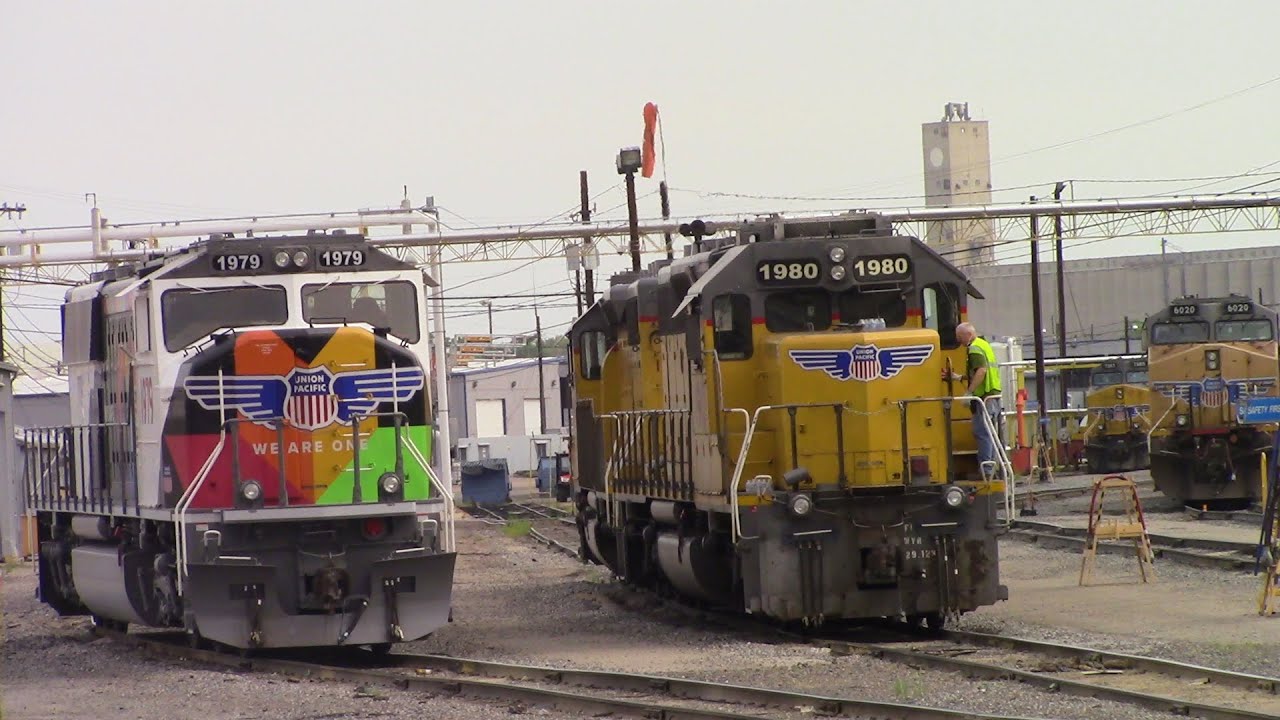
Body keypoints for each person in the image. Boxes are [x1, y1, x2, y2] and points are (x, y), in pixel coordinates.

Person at [943, 322, 1004, 477]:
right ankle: (991, 468)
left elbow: (981, 371)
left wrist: (969, 393)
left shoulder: (974, 348)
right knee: (990, 433)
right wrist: (959, 378)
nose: (959, 341)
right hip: (993, 395)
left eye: (960, 337)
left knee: (982, 432)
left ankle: (986, 470)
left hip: (984, 398)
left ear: (968, 334)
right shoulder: (984, 344)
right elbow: (981, 371)